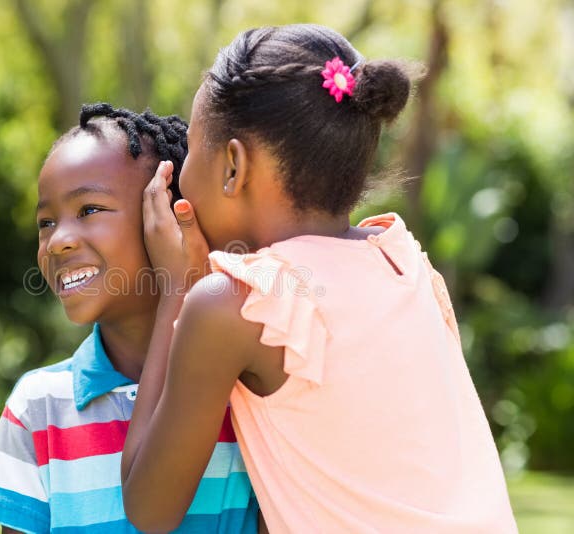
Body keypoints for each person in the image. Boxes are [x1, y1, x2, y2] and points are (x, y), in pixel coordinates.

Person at [121, 24, 517, 533]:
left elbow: (148, 509)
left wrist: (177, 287)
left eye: (194, 149)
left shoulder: (231, 304)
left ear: (233, 166)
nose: (183, 168)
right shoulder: (402, 261)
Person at [0, 103, 259, 533]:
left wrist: (178, 288)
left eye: (89, 210)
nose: (57, 242)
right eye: (46, 222)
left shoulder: (246, 395)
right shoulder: (39, 407)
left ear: (169, 215)